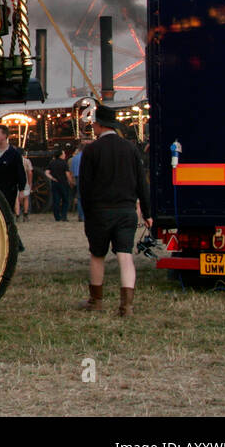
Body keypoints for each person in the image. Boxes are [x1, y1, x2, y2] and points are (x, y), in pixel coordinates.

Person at [78, 105, 152, 316]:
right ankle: (126, 305)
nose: (93, 126)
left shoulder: (91, 150)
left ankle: (96, 301)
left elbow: (85, 186)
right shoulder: (130, 148)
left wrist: (87, 212)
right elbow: (141, 184)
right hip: (127, 210)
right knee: (125, 256)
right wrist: (147, 213)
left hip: (100, 211)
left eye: (94, 123)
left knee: (97, 255)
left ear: (99, 125)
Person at [0, 125, 25, 252]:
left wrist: (21, 189)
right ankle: (3, 242)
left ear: (4, 136)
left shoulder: (13, 154)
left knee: (6, 216)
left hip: (9, 189)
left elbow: (20, 172)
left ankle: (15, 242)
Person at [45, 147, 72, 222]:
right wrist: (70, 182)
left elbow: (46, 173)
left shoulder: (52, 162)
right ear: (60, 155)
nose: (65, 155)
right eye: (63, 153)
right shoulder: (64, 163)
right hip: (63, 183)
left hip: (55, 183)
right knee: (65, 200)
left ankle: (57, 217)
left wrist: (52, 178)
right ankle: (64, 216)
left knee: (56, 200)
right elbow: (67, 174)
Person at [18, 151, 33, 222]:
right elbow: (30, 172)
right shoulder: (27, 161)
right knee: (26, 198)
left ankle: (17, 215)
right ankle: (25, 214)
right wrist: (30, 183)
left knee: (16, 199)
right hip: (24, 181)